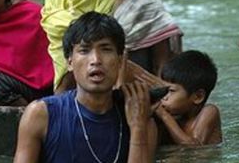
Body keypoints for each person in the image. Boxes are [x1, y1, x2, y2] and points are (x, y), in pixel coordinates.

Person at [13, 12, 157, 163]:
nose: (96, 60)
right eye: (84, 50)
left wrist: (138, 127)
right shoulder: (41, 115)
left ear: (120, 61)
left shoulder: (141, 119)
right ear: (69, 62)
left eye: (106, 49)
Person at [154, 50, 222, 145]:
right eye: (163, 91)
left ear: (198, 97)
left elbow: (194, 147)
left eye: (171, 91)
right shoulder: (176, 116)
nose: (164, 97)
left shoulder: (209, 112)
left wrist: (164, 116)